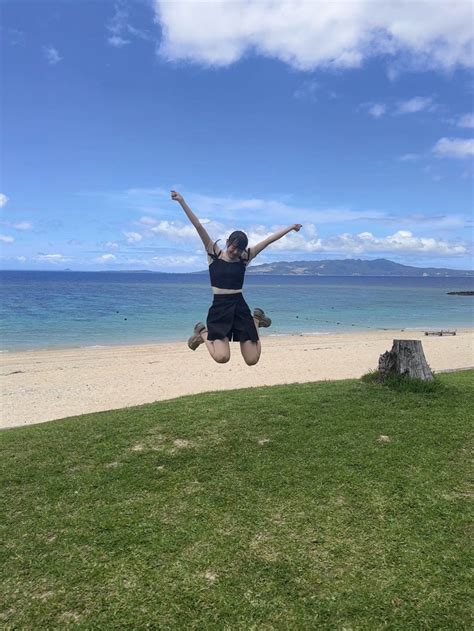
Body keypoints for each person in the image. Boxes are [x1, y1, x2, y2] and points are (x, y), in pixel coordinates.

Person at [171, 190, 302, 366]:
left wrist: (290, 228)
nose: (235, 252)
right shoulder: (214, 254)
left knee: (252, 360)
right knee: (222, 357)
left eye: (239, 249)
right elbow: (199, 227)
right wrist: (182, 201)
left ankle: (256, 320)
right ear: (228, 242)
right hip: (219, 309)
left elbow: (268, 241)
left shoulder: (244, 258)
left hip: (239, 307)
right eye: (233, 247)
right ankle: (202, 332)